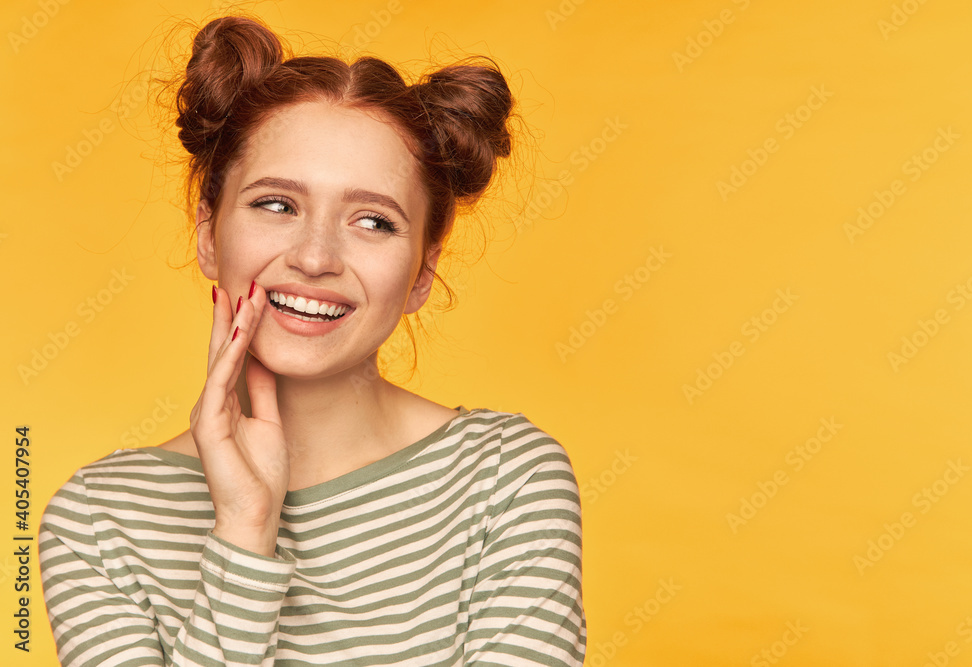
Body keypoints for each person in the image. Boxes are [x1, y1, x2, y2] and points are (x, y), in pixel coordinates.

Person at [39, 14, 586, 667]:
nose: (316, 257)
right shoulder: (98, 521)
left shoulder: (506, 480)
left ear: (422, 273)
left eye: (373, 221)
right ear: (208, 232)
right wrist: (245, 529)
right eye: (277, 205)